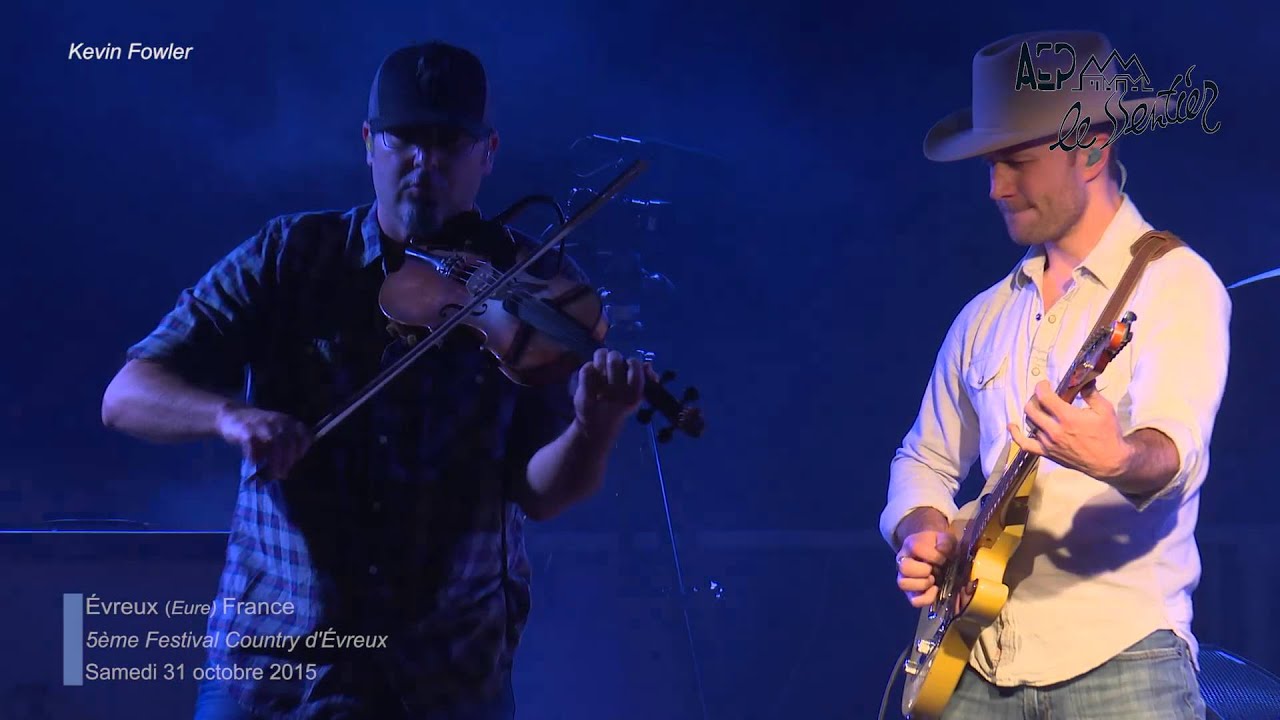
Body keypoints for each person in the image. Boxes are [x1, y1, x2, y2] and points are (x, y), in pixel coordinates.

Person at [102, 40, 650, 719]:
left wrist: (594, 430)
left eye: (449, 142)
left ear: (488, 153)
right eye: (405, 139)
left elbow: (538, 494)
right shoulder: (289, 257)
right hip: (278, 671)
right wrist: (228, 416)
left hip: (447, 676)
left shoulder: (530, 291)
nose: (425, 162)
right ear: (368, 143)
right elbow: (127, 393)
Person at [880, 30, 1229, 719]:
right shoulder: (983, 317)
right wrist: (922, 529)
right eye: (990, 165)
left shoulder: (1176, 284)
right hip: (973, 665)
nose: (995, 187)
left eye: (1015, 162)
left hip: (1122, 660)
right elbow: (922, 457)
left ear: (1092, 148)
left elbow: (1172, 450)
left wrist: (1119, 456)